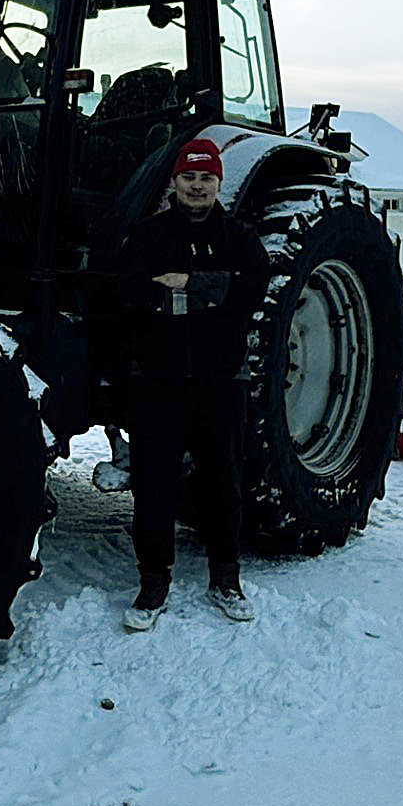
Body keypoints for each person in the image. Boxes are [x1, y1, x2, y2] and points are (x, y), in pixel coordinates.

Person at [113, 137, 269, 631]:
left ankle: (226, 578)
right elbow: (129, 291)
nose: (197, 186)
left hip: (221, 379)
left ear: (219, 182)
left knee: (223, 482)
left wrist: (188, 283)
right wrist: (214, 293)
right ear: (175, 182)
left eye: (206, 178)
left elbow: (253, 289)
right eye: (189, 177)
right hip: (156, 379)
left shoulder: (239, 237)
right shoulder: (148, 235)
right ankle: (153, 581)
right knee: (153, 484)